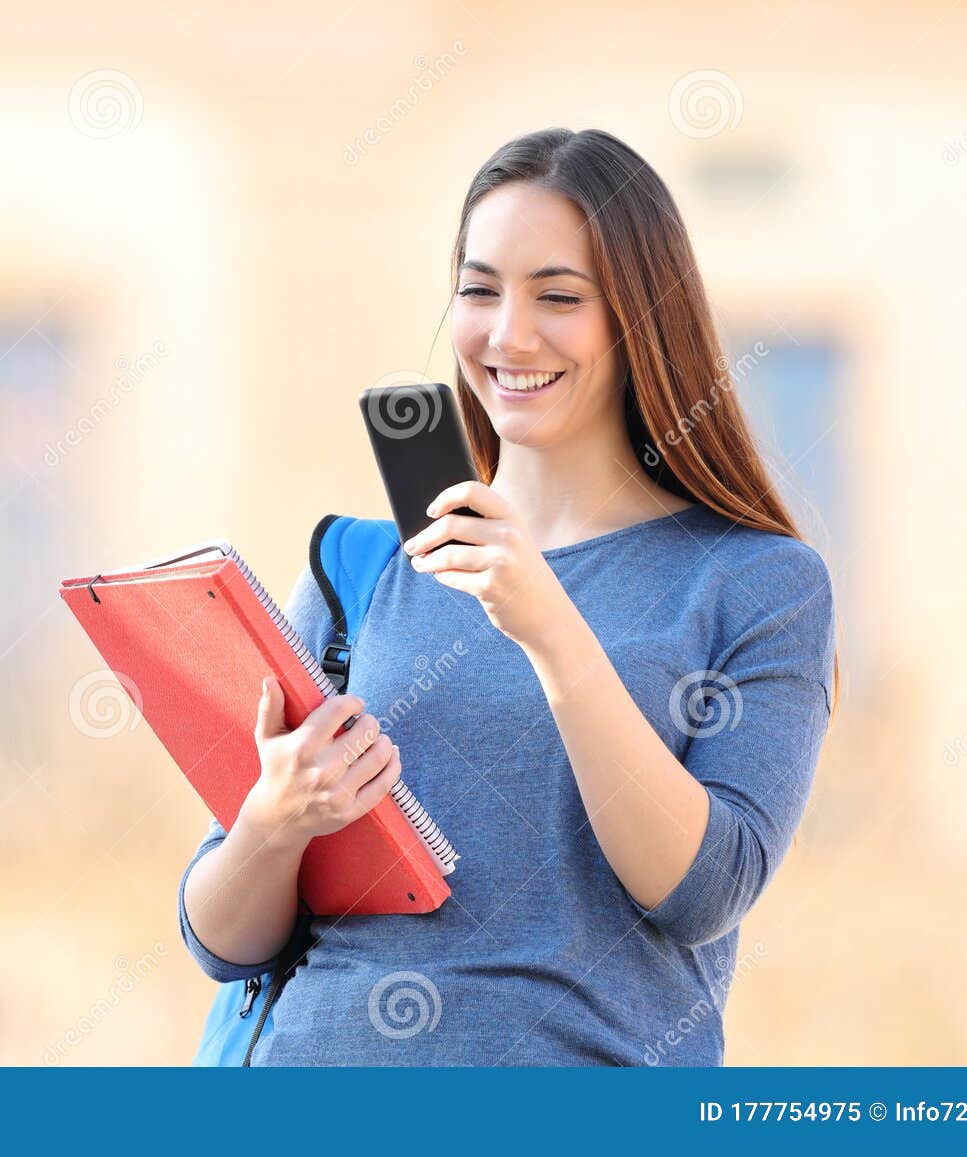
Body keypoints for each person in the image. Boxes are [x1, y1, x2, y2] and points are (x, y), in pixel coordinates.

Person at [179, 127, 840, 1065]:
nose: (509, 334)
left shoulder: (754, 582)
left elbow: (699, 889)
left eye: (559, 297)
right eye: (480, 290)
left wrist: (551, 630)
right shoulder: (360, 567)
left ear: (641, 320)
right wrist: (271, 824)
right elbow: (217, 937)